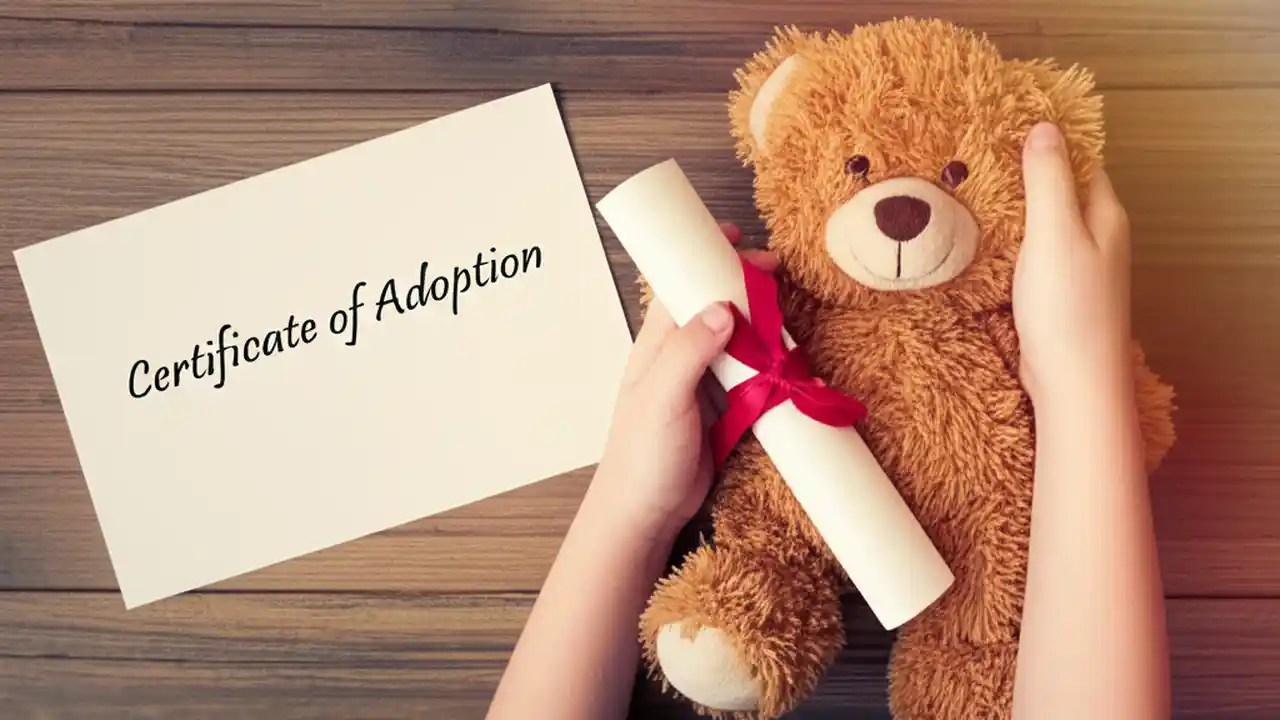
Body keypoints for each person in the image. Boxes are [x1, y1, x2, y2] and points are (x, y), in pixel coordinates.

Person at [486, 123, 1170, 720]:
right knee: (764, 560)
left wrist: (629, 509)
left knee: (979, 640)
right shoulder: (797, 315)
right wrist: (1083, 379)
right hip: (809, 520)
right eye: (860, 168)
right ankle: (743, 619)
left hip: (981, 566)